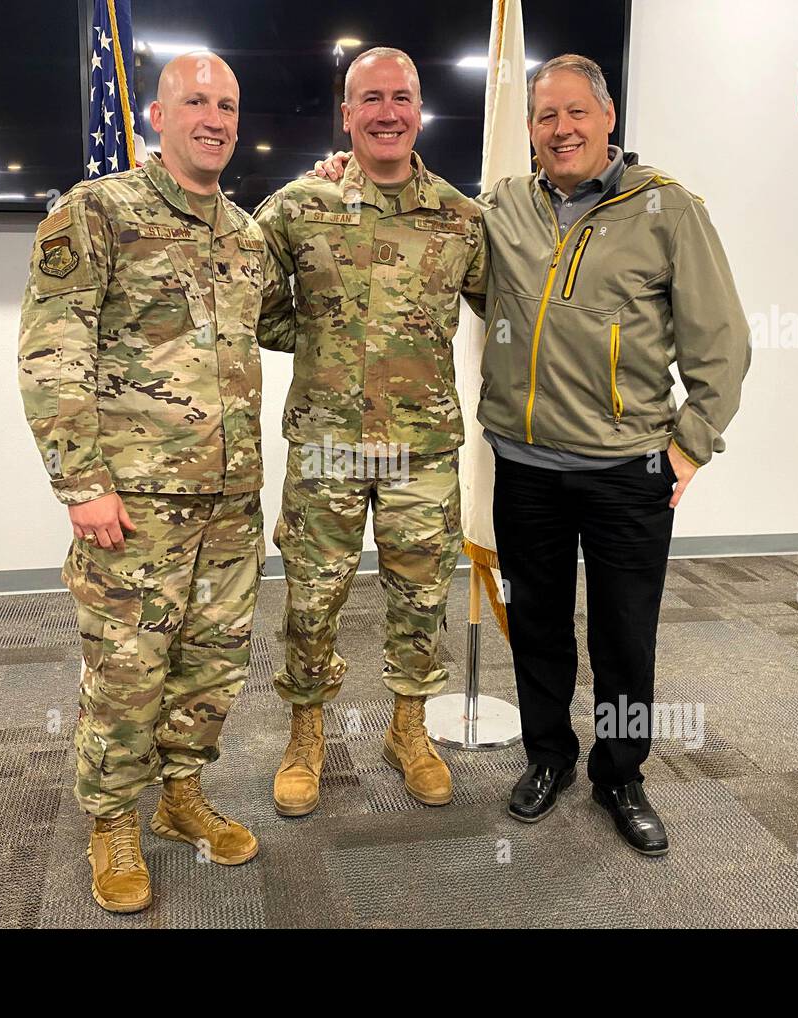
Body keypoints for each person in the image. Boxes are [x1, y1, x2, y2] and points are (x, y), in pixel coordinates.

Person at [313, 53, 750, 855]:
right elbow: (422, 222)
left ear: (608, 118)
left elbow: (722, 343)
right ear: (530, 130)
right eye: (546, 117)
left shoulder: (667, 210)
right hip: (525, 469)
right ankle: (549, 757)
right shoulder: (501, 208)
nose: (562, 129)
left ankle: (622, 775)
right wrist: (350, 174)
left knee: (625, 635)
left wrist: (690, 449)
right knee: (538, 627)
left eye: (577, 112)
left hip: (627, 469)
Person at [17, 51, 291, 912]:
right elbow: (52, 350)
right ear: (158, 117)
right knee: (128, 670)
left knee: (211, 666)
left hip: (230, 498)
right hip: (132, 505)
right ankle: (109, 820)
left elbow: (289, 324)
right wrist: (80, 481)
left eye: (228, 105)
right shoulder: (96, 212)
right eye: (196, 102)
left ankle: (180, 798)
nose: (214, 118)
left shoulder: (245, 234)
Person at [252, 47, 487, 817]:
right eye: (370, 99)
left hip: (421, 447)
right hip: (327, 443)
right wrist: (323, 336)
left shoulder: (460, 217)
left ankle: (408, 731)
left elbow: (511, 311)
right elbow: (248, 303)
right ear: (345, 115)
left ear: (420, 111)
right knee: (313, 597)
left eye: (402, 98)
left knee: (421, 596)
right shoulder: (296, 207)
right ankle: (305, 735)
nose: (388, 112)